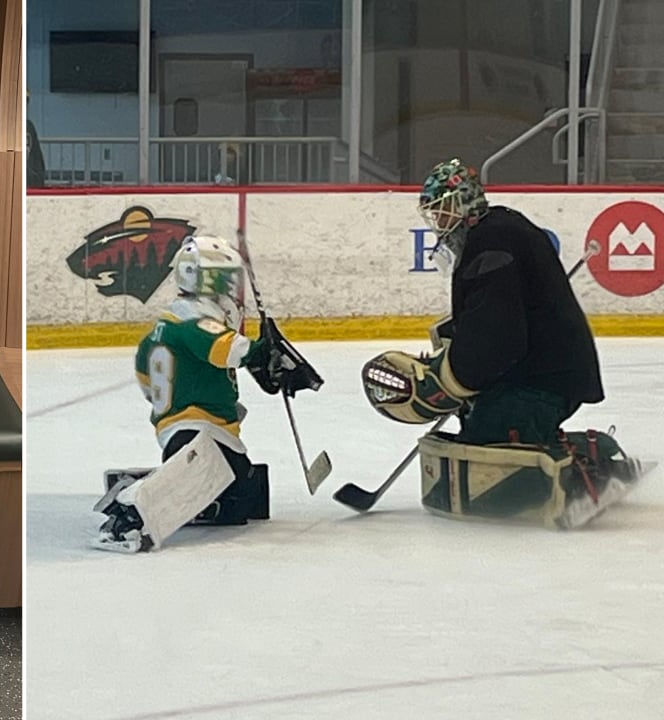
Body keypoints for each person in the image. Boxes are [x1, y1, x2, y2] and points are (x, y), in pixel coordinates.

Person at [362, 158, 643, 528]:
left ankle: (584, 472)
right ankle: (596, 454)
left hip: (541, 382)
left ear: (464, 203)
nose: (439, 222)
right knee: (480, 429)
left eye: (443, 209)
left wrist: (452, 379)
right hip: (544, 371)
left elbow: (496, 335)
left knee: (485, 440)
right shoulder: (498, 230)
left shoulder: (492, 243)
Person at [93, 234, 316, 552]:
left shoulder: (169, 323)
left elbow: (147, 379)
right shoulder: (195, 321)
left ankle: (152, 483)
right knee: (207, 472)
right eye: (221, 278)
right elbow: (232, 350)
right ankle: (128, 515)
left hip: (195, 425)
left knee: (241, 491)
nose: (228, 287)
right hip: (195, 427)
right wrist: (264, 350)